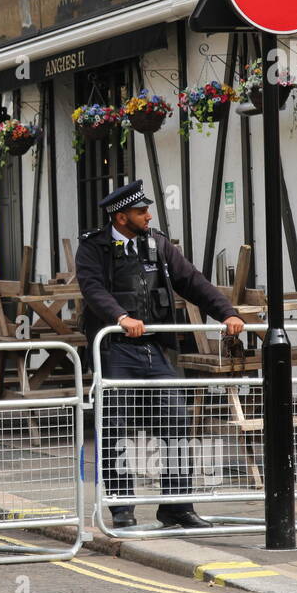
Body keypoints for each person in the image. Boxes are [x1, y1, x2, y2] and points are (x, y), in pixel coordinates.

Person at [75, 180, 244, 529]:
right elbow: (92, 289)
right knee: (115, 428)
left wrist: (227, 312)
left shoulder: (158, 244)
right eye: (141, 212)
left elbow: (193, 282)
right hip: (115, 348)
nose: (148, 216)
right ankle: (121, 508)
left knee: (175, 424)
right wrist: (121, 318)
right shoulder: (93, 248)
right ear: (121, 217)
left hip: (153, 348)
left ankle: (177, 507)